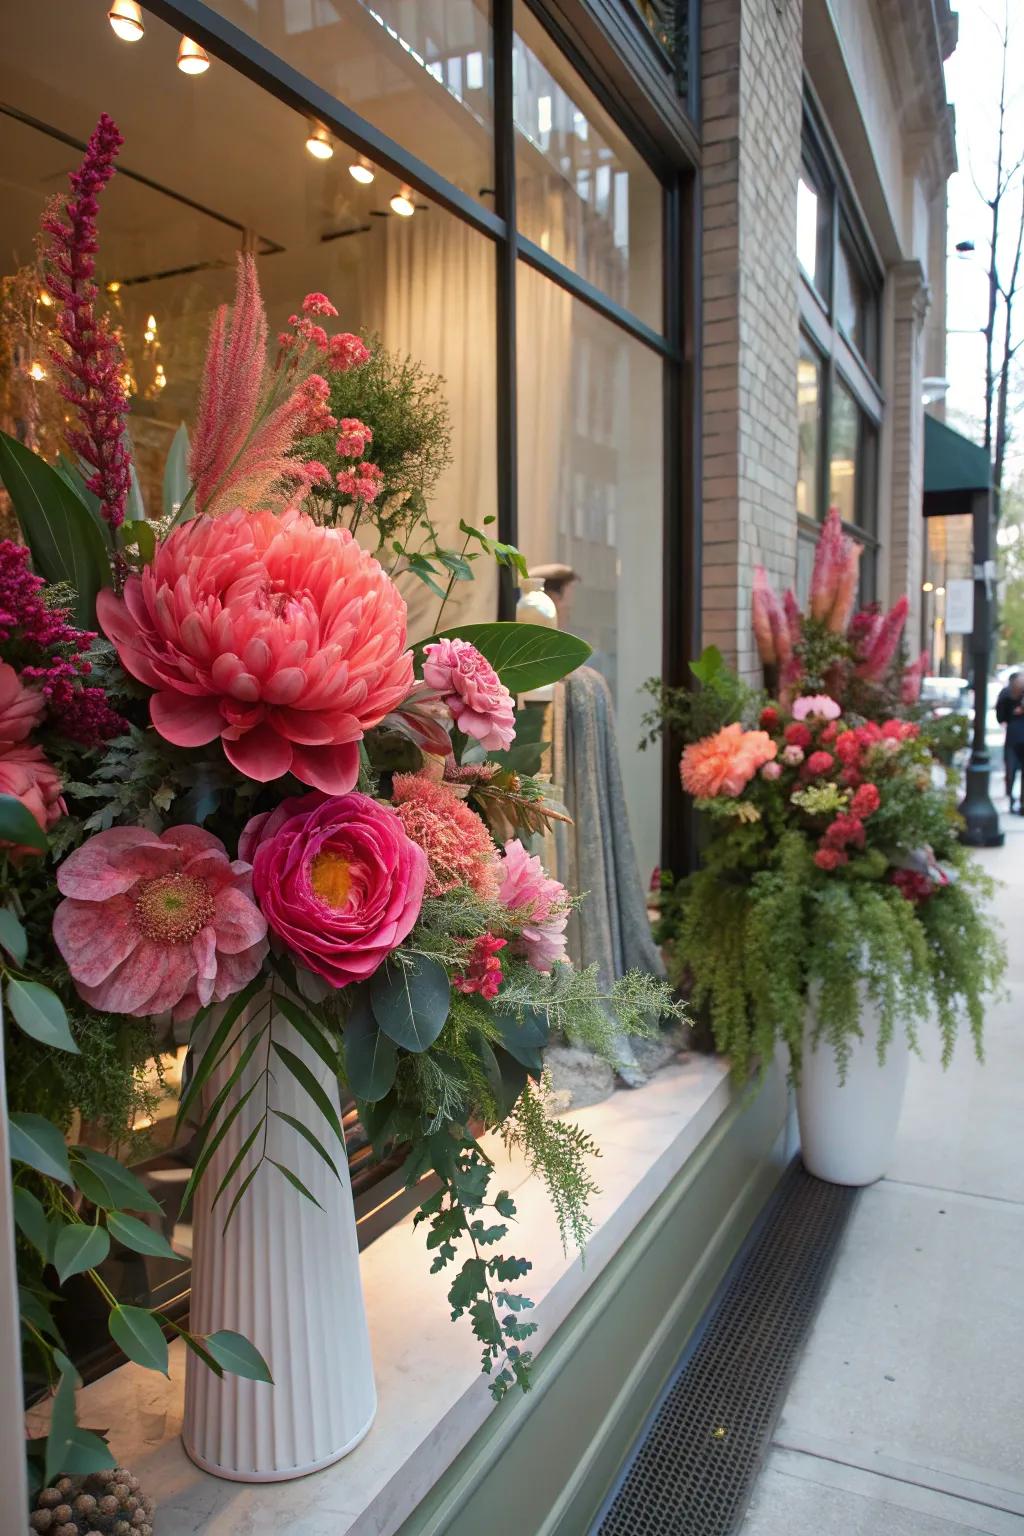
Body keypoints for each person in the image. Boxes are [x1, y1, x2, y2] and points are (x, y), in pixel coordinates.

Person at [995, 672, 1024, 813]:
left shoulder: (1006, 694)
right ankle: (1015, 801)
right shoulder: (1007, 695)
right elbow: (1000, 717)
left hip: (1013, 737)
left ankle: (1013, 800)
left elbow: (1000, 718)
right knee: (1011, 770)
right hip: (1014, 737)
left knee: (1010, 770)